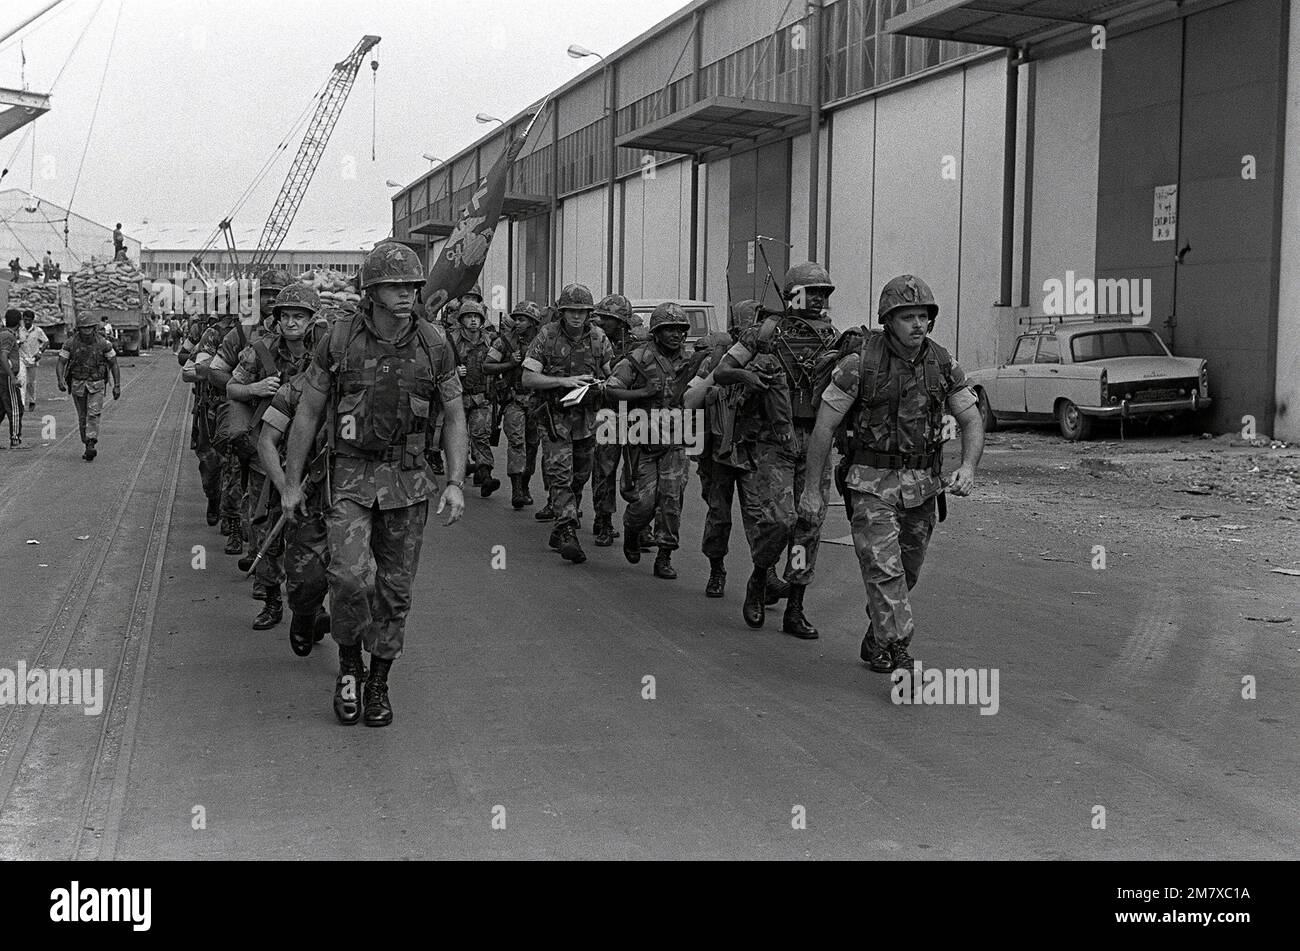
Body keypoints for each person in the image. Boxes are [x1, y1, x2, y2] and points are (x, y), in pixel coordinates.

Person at [282, 241, 467, 728]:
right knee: (348, 578)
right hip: (349, 476)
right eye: (394, 286)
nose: (405, 294)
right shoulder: (339, 341)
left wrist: (455, 481)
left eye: (411, 285)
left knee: (395, 588)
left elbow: (453, 415)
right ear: (372, 290)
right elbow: (307, 412)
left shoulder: (435, 344)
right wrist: (291, 483)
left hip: (408, 481)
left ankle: (378, 681)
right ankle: (348, 668)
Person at [800, 274, 984, 673]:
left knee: (908, 570)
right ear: (888, 320)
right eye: (907, 317)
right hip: (870, 483)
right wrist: (813, 489)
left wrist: (967, 467)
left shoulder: (942, 362)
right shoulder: (859, 364)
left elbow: (970, 419)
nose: (918, 325)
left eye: (923, 316)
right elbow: (823, 428)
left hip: (923, 485)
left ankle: (877, 634)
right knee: (884, 568)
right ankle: (899, 649)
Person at [712, 262, 839, 639]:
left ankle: (795, 607)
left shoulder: (832, 337)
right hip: (772, 440)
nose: (818, 299)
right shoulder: (763, 333)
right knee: (780, 520)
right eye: (811, 292)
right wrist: (749, 376)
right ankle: (759, 576)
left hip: (816, 440)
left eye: (824, 293)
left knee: (809, 525)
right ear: (791, 295)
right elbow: (722, 371)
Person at [226, 284, 321, 630]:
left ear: (312, 320)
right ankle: (269, 598)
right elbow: (231, 387)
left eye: (299, 316)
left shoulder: (325, 351)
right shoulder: (260, 351)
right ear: (277, 319)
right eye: (286, 316)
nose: (291, 322)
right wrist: (254, 388)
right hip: (268, 446)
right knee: (264, 520)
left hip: (313, 450)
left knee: (313, 524)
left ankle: (310, 601)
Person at [520, 283, 614, 564]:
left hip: (586, 419)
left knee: (579, 476)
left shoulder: (599, 338)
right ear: (562, 312)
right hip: (554, 418)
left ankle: (562, 522)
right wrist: (563, 381)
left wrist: (601, 385)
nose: (576, 316)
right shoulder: (547, 336)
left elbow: (612, 376)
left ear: (589, 313)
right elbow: (528, 378)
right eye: (571, 311)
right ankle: (567, 529)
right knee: (560, 474)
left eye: (582, 311)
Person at [207, 269, 293, 561]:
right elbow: (217, 372)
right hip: (251, 422)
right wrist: (249, 390)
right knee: (241, 482)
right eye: (265, 294)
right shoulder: (244, 332)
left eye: (276, 295)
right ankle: (239, 531)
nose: (270, 300)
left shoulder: (308, 334)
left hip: (293, 429)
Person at [257, 321, 332, 657]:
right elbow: (267, 442)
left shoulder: (365, 388)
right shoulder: (294, 389)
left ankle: (351, 662)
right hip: (306, 494)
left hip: (354, 493)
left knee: (355, 579)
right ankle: (305, 611)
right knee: (306, 577)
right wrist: (287, 487)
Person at [604, 302, 693, 579]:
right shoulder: (638, 358)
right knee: (643, 502)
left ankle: (665, 555)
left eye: (680, 330)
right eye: (669, 330)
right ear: (656, 332)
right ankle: (632, 529)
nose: (676, 335)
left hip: (676, 439)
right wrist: (642, 392)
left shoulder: (690, 361)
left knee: (671, 500)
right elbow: (611, 391)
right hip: (642, 439)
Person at [684, 299, 763, 598]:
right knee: (719, 516)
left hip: (754, 451)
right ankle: (716, 568)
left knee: (760, 518)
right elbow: (691, 400)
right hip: (718, 452)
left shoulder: (769, 359)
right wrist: (719, 371)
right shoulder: (715, 360)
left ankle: (764, 573)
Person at [484, 300, 544, 509]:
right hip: (513, 400)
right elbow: (487, 366)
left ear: (533, 322)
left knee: (533, 444)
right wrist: (510, 362)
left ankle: (525, 484)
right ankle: (517, 489)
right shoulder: (504, 342)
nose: (518, 323)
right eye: (516, 319)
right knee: (516, 442)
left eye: (523, 319)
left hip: (537, 401)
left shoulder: (543, 341)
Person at [588, 293, 637, 547]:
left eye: (606, 319)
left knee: (638, 471)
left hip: (636, 415)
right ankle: (604, 519)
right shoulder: (594, 343)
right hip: (607, 413)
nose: (600, 322)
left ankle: (640, 524)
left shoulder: (640, 345)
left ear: (620, 321)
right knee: (605, 469)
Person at [447, 298, 500, 496]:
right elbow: (438, 366)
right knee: (459, 437)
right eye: (469, 317)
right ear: (461, 319)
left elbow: (497, 362)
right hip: (458, 397)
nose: (473, 321)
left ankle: (485, 474)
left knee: (481, 435)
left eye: (476, 317)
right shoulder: (451, 340)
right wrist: (454, 371)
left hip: (481, 396)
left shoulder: (490, 341)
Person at [57, 310, 120, 460]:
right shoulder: (70, 343)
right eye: (84, 328)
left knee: (94, 413)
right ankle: (86, 443)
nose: (87, 331)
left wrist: (117, 385)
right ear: (79, 329)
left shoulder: (104, 343)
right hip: (78, 384)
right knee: (82, 416)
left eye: (90, 327)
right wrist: (60, 379)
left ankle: (91, 442)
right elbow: (61, 362)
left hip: (96, 384)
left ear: (94, 328)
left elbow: (113, 363)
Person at [18, 310, 49, 409]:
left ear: (32, 320)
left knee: (30, 383)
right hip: (21, 359)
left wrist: (40, 352)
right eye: (25, 320)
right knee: (22, 381)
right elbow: (15, 341)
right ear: (23, 319)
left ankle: (32, 400)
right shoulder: (19, 330)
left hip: (33, 359)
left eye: (29, 320)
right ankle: (21, 403)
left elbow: (46, 342)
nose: (27, 322)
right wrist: (18, 343)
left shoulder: (38, 331)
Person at [0, 310, 22, 448]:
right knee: (15, 408)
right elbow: (3, 356)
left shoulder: (3, 334)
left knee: (1, 409)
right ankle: (15, 440)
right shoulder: (8, 336)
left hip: (2, 375)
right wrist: (12, 377)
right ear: (19, 322)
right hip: (6, 376)